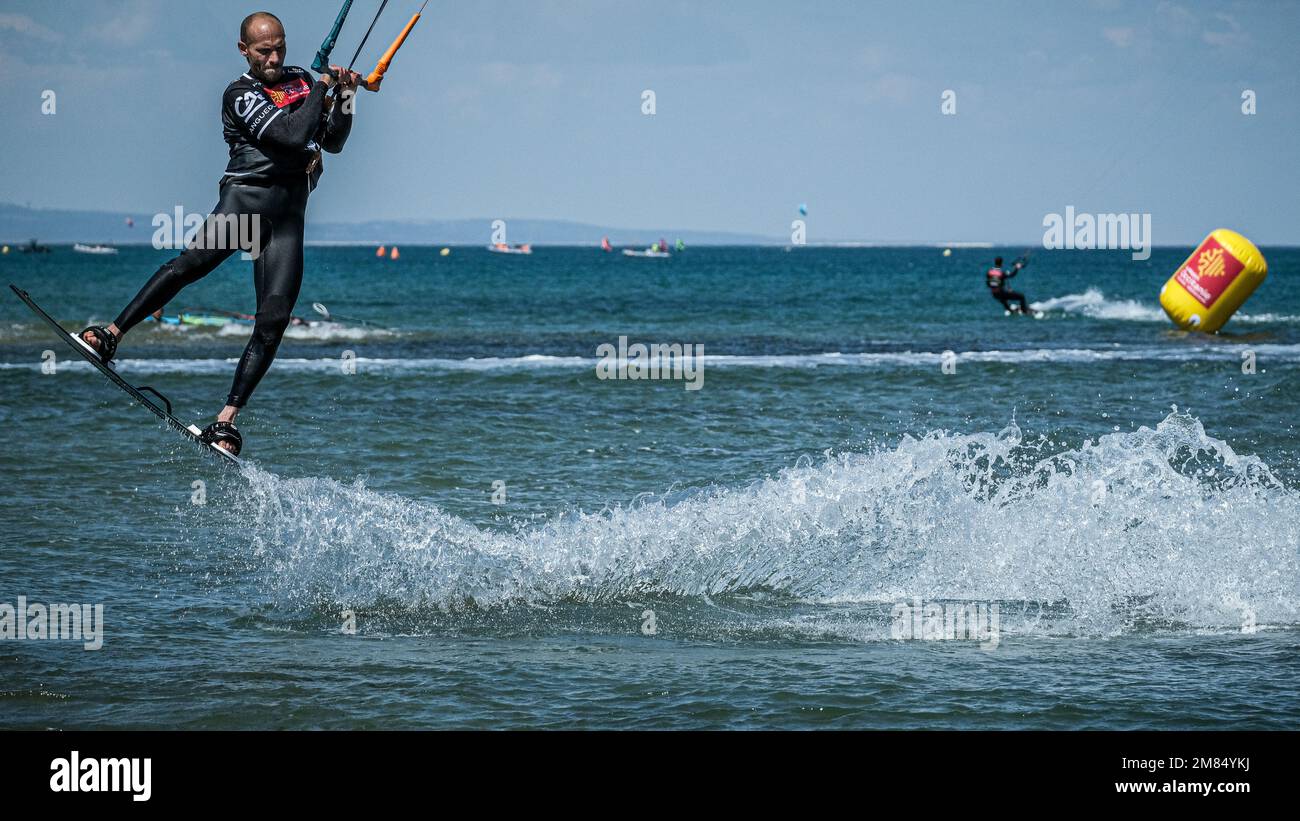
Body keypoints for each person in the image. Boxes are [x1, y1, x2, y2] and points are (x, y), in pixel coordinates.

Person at [77, 12, 360, 455]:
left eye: (280, 47)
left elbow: (334, 141)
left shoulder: (303, 81)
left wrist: (344, 96)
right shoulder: (240, 93)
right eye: (264, 50)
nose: (274, 57)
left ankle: (225, 422)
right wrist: (324, 88)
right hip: (245, 206)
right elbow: (289, 136)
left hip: (287, 218)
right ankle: (111, 334)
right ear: (244, 50)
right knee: (188, 267)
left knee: (274, 320)